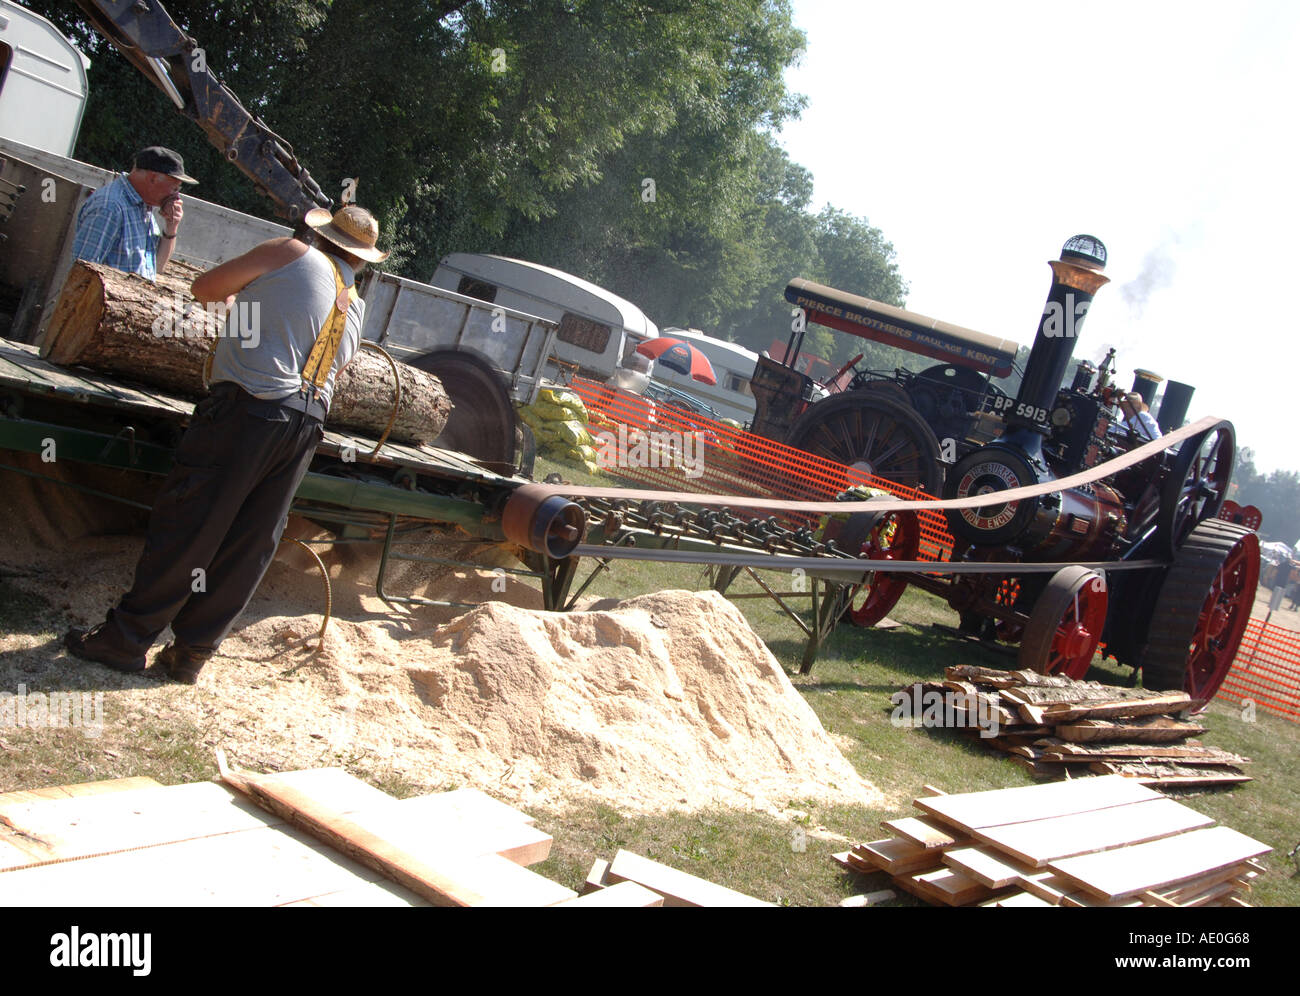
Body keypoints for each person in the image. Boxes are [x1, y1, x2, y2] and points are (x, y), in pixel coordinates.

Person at [64, 205, 388, 683]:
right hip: (305, 425)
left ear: (321, 233)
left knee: (191, 521)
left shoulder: (289, 251)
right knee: (250, 542)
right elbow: (334, 366)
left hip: (249, 410)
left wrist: (248, 312)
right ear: (361, 258)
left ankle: (125, 640)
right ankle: (191, 654)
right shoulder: (354, 304)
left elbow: (205, 289)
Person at [71, 146, 196, 281]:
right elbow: (81, 273)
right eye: (174, 188)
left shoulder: (143, 207)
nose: (176, 197)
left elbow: (157, 267)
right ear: (153, 178)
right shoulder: (110, 207)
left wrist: (172, 225)